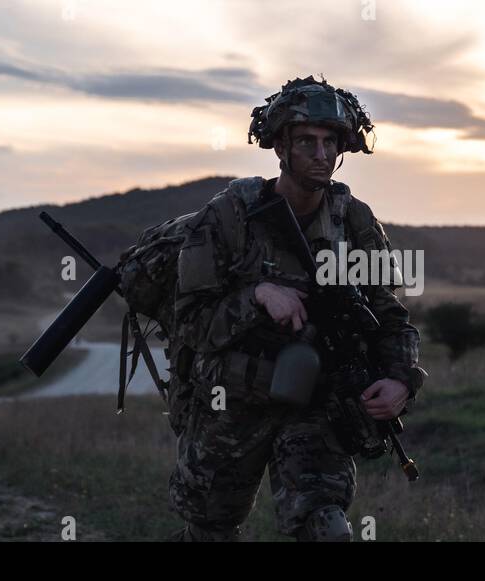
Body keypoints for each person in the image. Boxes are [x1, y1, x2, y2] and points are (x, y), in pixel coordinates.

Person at [133, 76, 426, 541]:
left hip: (316, 405)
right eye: (307, 141)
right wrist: (256, 297)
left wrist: (401, 380)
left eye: (330, 142)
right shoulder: (230, 216)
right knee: (211, 530)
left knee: (325, 528)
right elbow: (190, 321)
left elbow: (388, 315)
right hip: (233, 401)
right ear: (280, 148)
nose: (321, 153)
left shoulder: (353, 221)